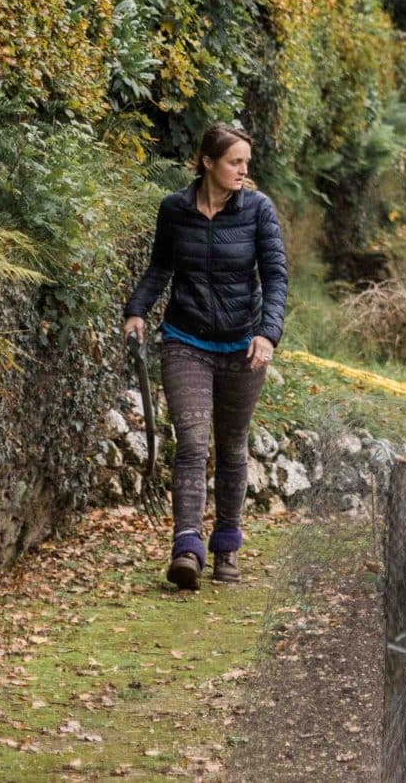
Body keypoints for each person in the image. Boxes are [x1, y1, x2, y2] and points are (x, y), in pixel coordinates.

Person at [121, 122, 288, 591]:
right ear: (208, 163)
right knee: (193, 444)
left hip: (243, 346)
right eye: (235, 162)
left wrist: (268, 334)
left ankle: (227, 546)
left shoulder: (257, 210)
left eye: (246, 163)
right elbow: (161, 266)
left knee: (232, 447)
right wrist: (137, 310)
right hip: (185, 339)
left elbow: (275, 278)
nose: (243, 170)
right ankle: (187, 548)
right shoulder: (174, 209)